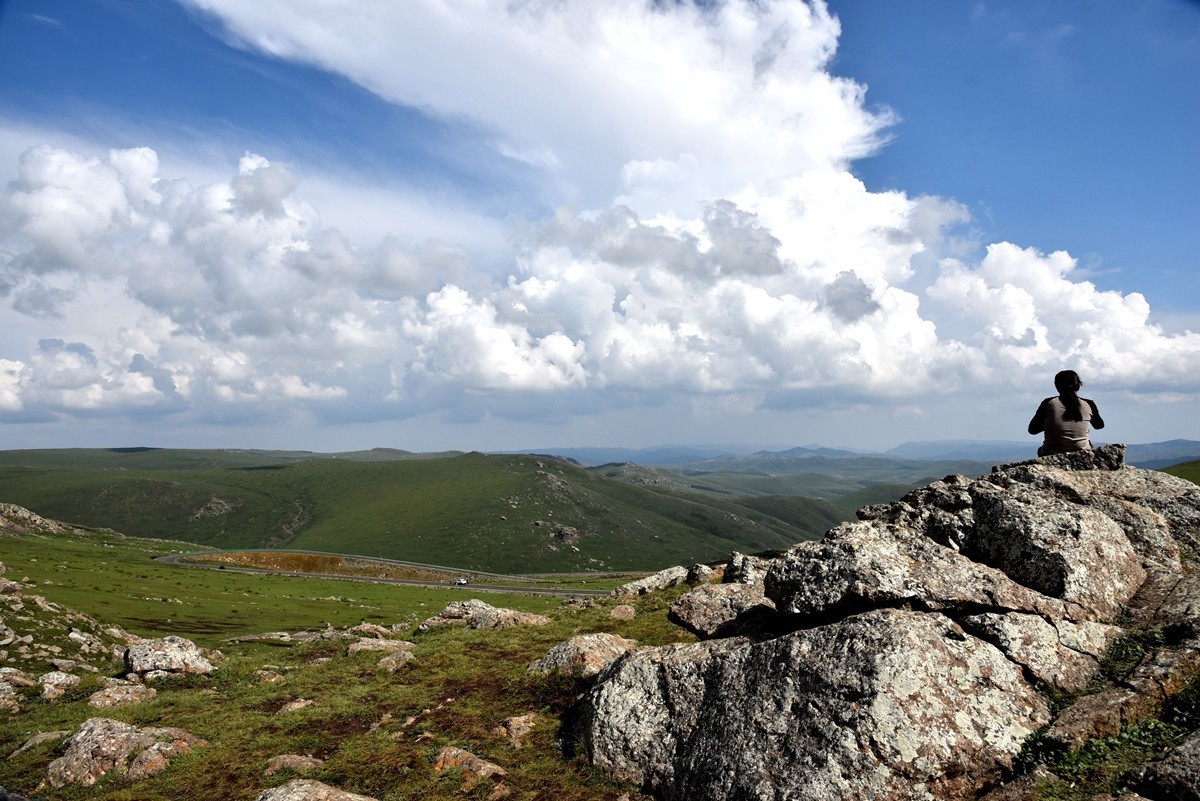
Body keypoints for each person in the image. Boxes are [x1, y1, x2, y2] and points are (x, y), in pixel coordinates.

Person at [1027, 369, 1105, 456]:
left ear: (1057, 386)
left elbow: (1032, 430)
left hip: (1051, 453)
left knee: (1040, 450)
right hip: (1082, 452)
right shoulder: (1089, 404)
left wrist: (1050, 424)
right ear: (1078, 385)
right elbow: (1099, 425)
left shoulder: (1048, 403)